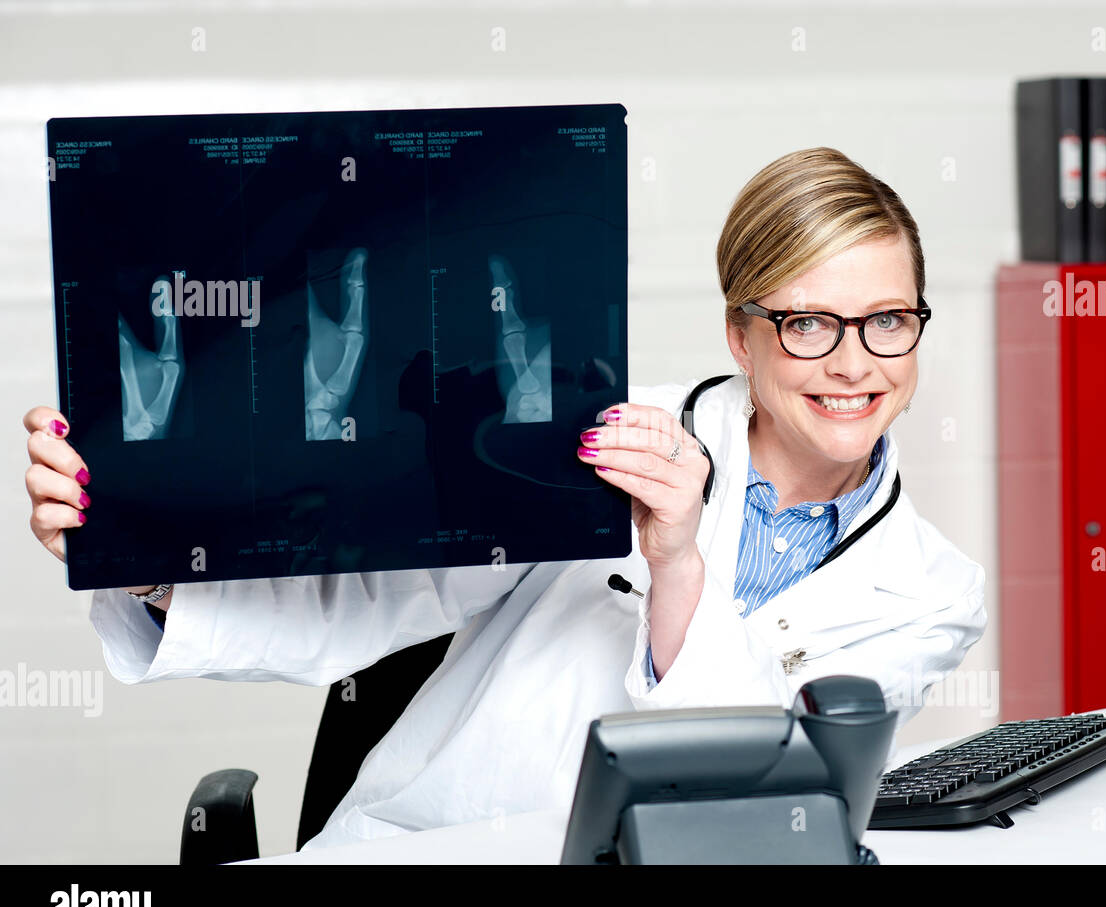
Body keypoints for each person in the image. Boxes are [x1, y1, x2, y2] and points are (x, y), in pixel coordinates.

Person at [23, 146, 987, 850]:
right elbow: (367, 603)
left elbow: (764, 802)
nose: (855, 363)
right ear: (741, 336)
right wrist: (153, 563)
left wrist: (680, 564)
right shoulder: (599, 434)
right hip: (445, 843)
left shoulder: (934, 591)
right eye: (809, 321)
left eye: (888, 319)